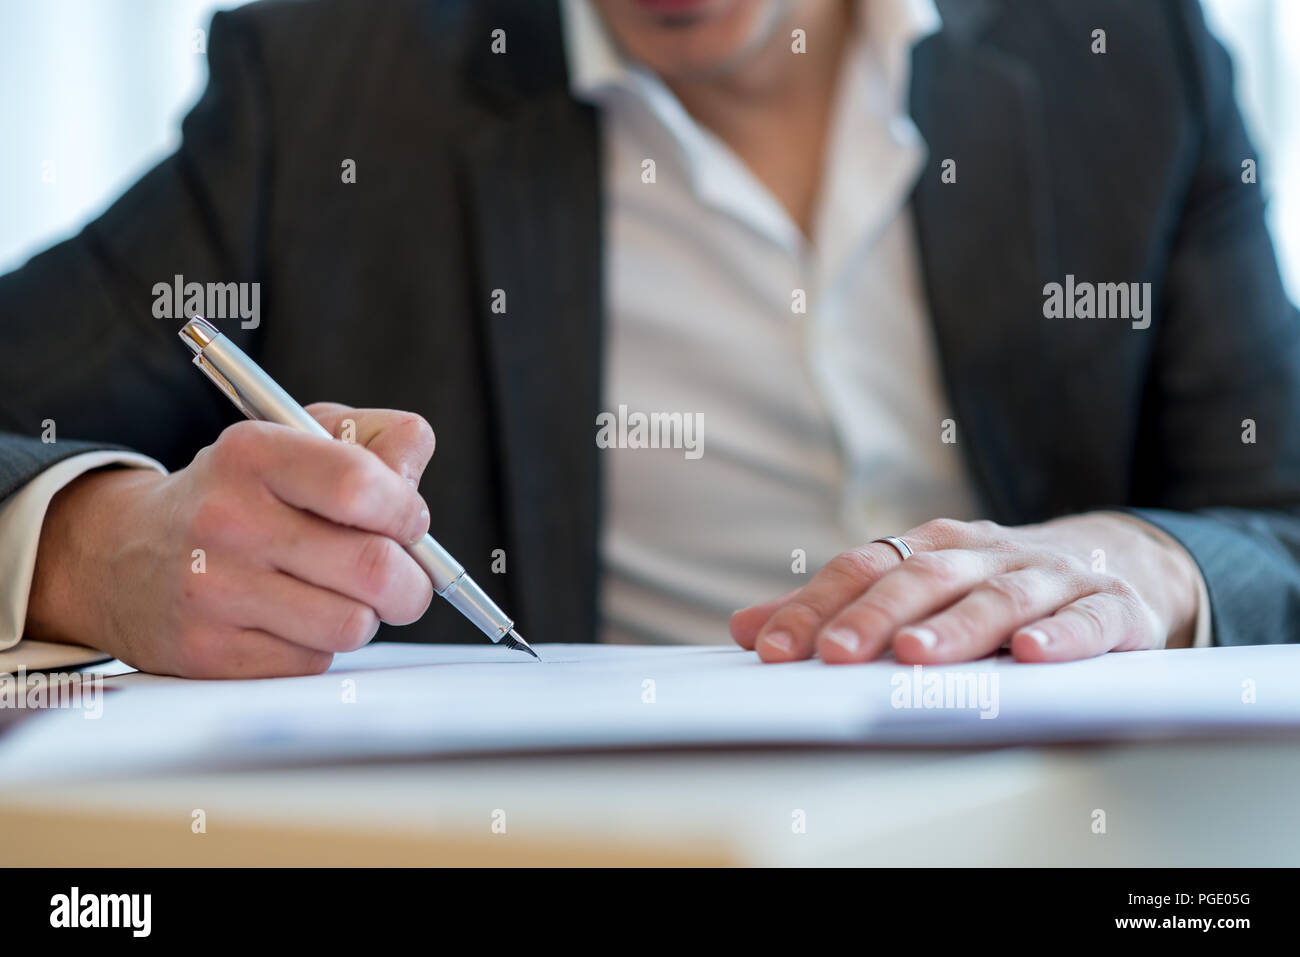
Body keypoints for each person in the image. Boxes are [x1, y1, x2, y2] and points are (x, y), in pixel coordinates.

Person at [2, 0, 1297, 678]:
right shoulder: (326, 87)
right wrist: (99, 547)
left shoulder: (1129, 49)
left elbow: (1276, 509)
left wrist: (1144, 563)